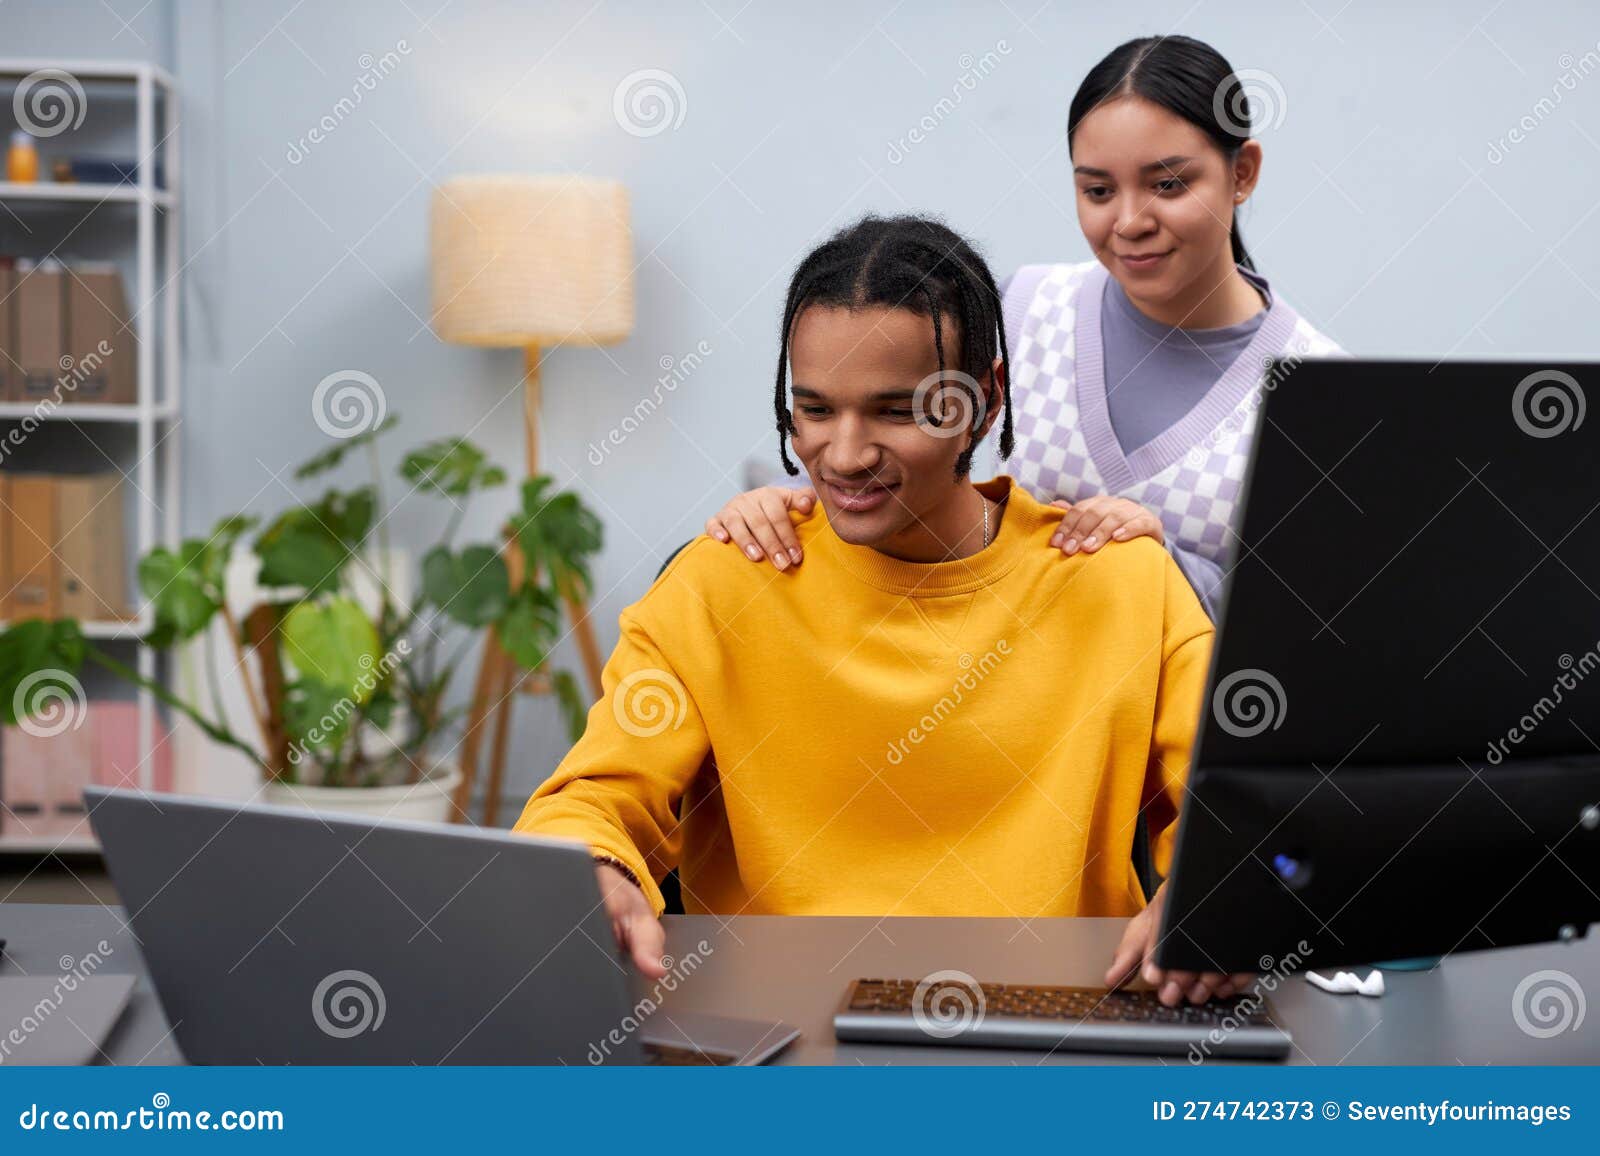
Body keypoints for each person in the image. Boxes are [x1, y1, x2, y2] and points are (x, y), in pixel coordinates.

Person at [515, 214, 1245, 1008]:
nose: (846, 454)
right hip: (787, 1041)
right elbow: (590, 796)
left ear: (985, 398)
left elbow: (1243, 813)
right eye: (817, 409)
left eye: (896, 412)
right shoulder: (724, 583)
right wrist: (596, 868)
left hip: (1051, 1040)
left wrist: (1215, 895)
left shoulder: (1120, 584)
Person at [705, 35, 1344, 621]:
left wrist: (1161, 561)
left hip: (1186, 726)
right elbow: (870, 449)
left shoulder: (1319, 388)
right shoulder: (1027, 309)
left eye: (1168, 184)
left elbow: (1311, 625)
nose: (1129, 221)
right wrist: (777, 506)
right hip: (1008, 705)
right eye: (1097, 191)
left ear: (1242, 172)